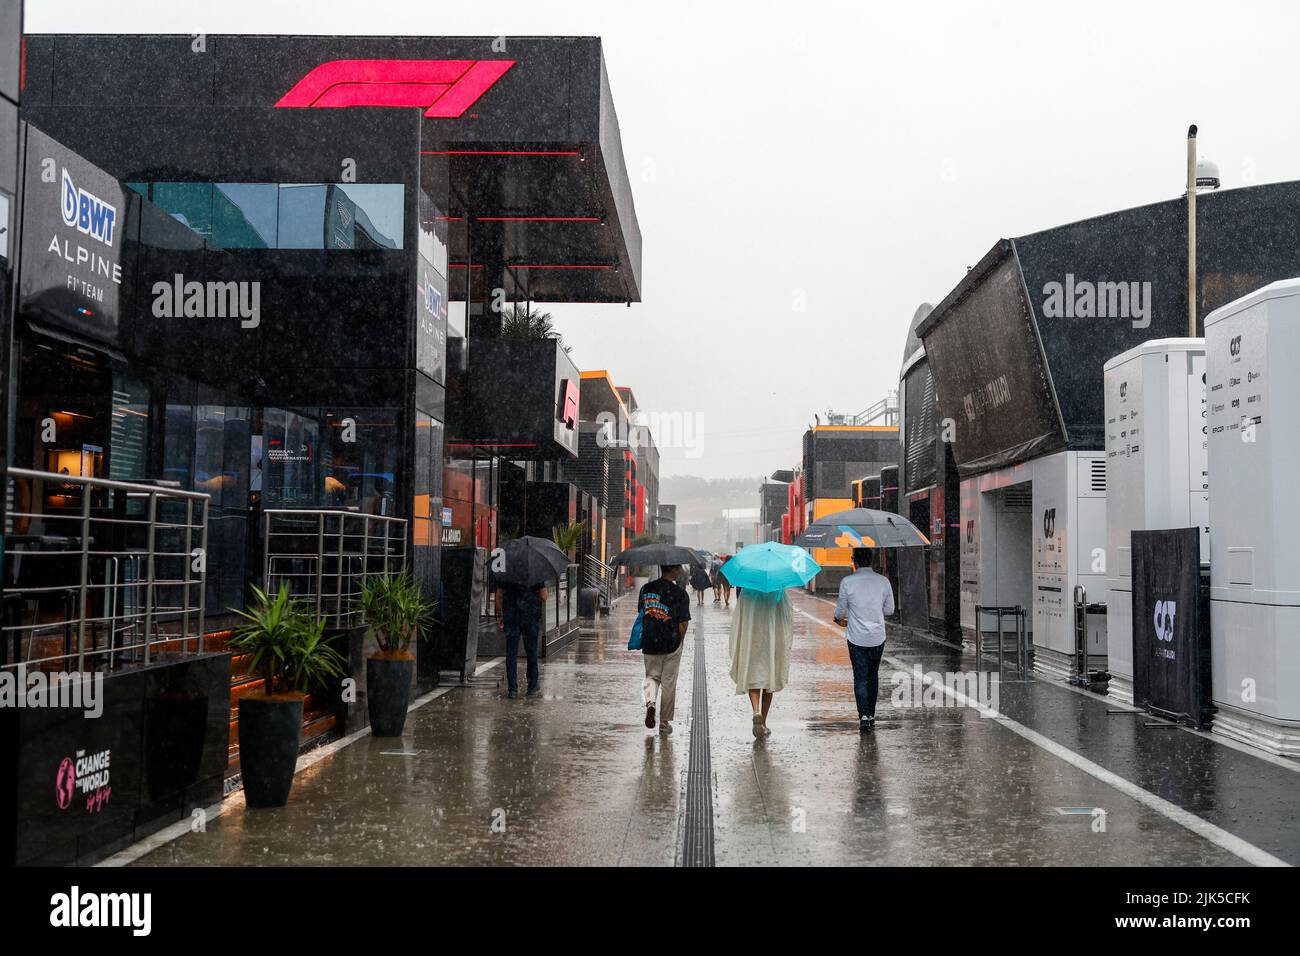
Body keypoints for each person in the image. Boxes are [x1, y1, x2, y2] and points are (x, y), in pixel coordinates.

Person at [833, 547, 895, 732]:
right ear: (872, 560)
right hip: (877, 637)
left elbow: (840, 611)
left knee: (860, 676)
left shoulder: (847, 582)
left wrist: (839, 618)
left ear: (854, 561)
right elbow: (889, 610)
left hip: (856, 638)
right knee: (873, 675)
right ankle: (872, 715)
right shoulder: (883, 581)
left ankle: (864, 717)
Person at [728, 587, 794, 739]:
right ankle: (763, 722)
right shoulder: (778, 590)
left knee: (753, 676)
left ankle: (756, 711)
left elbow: (740, 617)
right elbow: (787, 616)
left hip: (753, 639)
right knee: (770, 679)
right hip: (772, 640)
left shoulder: (747, 591)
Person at [638, 564, 691, 735]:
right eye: (679, 569)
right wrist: (679, 640)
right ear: (673, 570)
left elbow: (641, 612)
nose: (680, 572)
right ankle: (664, 722)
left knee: (651, 677)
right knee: (668, 683)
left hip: (649, 641)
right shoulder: (680, 593)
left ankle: (651, 704)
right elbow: (683, 622)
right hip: (671, 642)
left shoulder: (646, 589)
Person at [495, 578, 548, 699]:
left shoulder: (507, 573)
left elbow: (499, 595)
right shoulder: (535, 573)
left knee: (511, 652)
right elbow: (544, 596)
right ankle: (532, 686)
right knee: (531, 651)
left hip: (511, 616)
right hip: (529, 617)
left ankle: (512, 689)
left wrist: (500, 614)